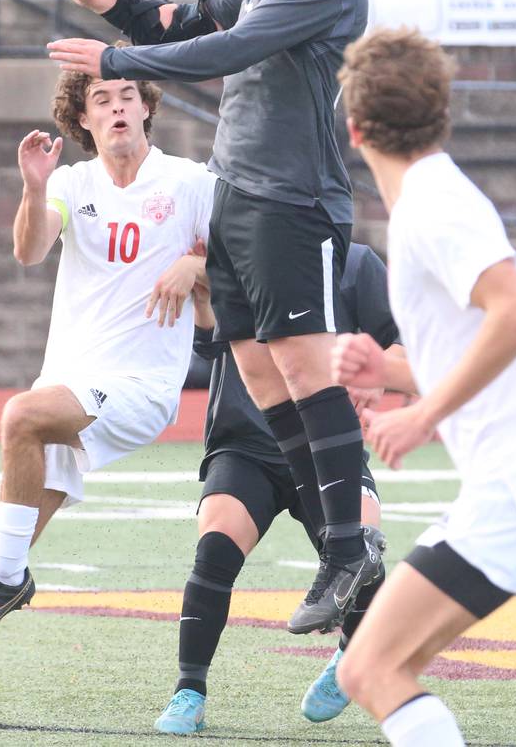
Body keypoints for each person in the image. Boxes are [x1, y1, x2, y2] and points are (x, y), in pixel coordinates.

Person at [48, 0, 376, 634]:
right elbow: (188, 16)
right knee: (261, 374)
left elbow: (230, 47)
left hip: (293, 200)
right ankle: (341, 551)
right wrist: (106, 4)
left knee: (302, 368)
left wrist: (118, 55)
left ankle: (347, 546)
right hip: (238, 197)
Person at [0, 64, 216, 727]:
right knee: (3, 536)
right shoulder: (73, 183)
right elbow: (28, 248)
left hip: (141, 386)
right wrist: (32, 188)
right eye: (103, 99)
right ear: (83, 120)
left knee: (19, 414)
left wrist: (198, 264)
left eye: (128, 95)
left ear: (147, 107)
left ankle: (10, 584)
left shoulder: (190, 183)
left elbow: (248, 258)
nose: (118, 106)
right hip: (72, 385)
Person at [330, 27, 516, 747]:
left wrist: (421, 415)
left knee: (371, 666)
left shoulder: (430, 207)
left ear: (352, 129)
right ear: (441, 112)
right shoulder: (438, 196)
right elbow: (484, 341)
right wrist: (391, 373)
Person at [154, 242, 401, 735]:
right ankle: (189, 689)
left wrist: (379, 375)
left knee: (363, 554)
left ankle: (352, 657)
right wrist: (201, 283)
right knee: (216, 548)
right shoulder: (241, 256)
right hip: (247, 445)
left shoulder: (355, 264)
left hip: (325, 447)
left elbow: (397, 343)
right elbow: (210, 345)